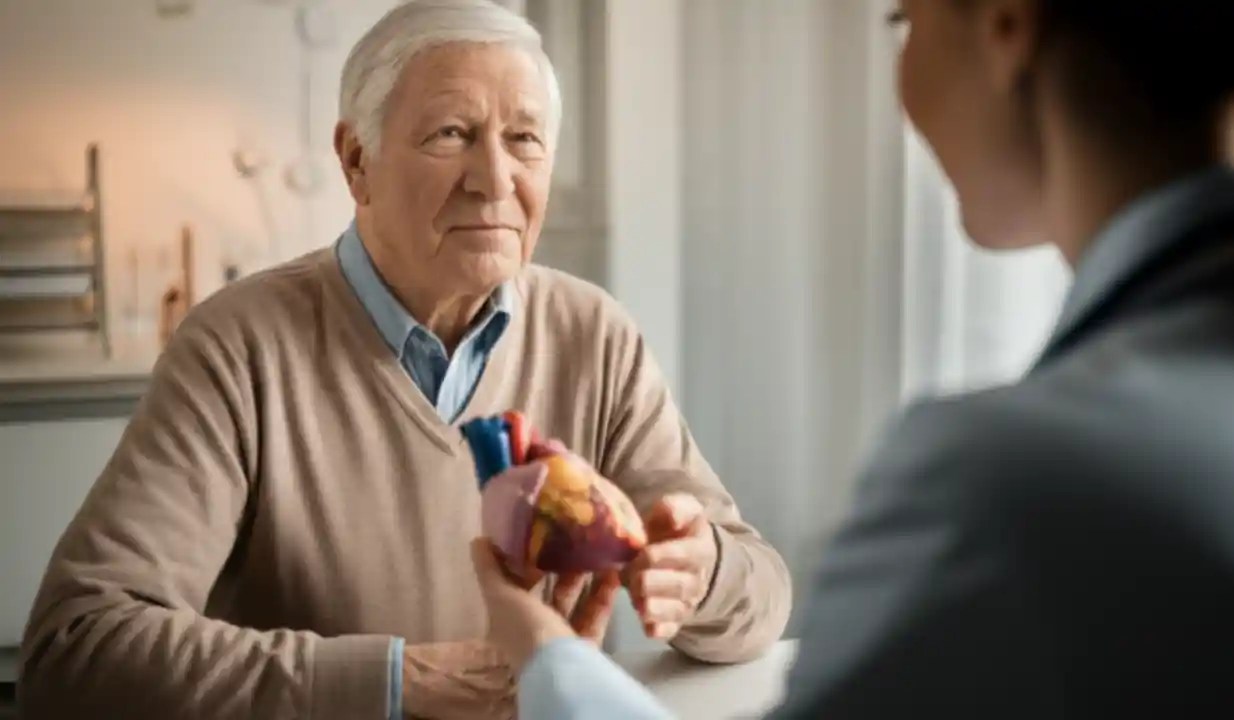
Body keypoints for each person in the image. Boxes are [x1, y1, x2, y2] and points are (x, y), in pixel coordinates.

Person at [468, 0, 1234, 716]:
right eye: (451, 136)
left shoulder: (998, 481)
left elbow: (755, 583)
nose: (492, 178)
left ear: (1006, 23)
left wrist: (549, 661)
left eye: (904, 20)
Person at [16, 2, 792, 718]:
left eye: (524, 140)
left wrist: (704, 574)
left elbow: (765, 595)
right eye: (451, 134)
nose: (495, 180)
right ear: (357, 161)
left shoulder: (595, 334)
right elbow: (77, 649)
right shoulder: (237, 347)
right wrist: (401, 682)